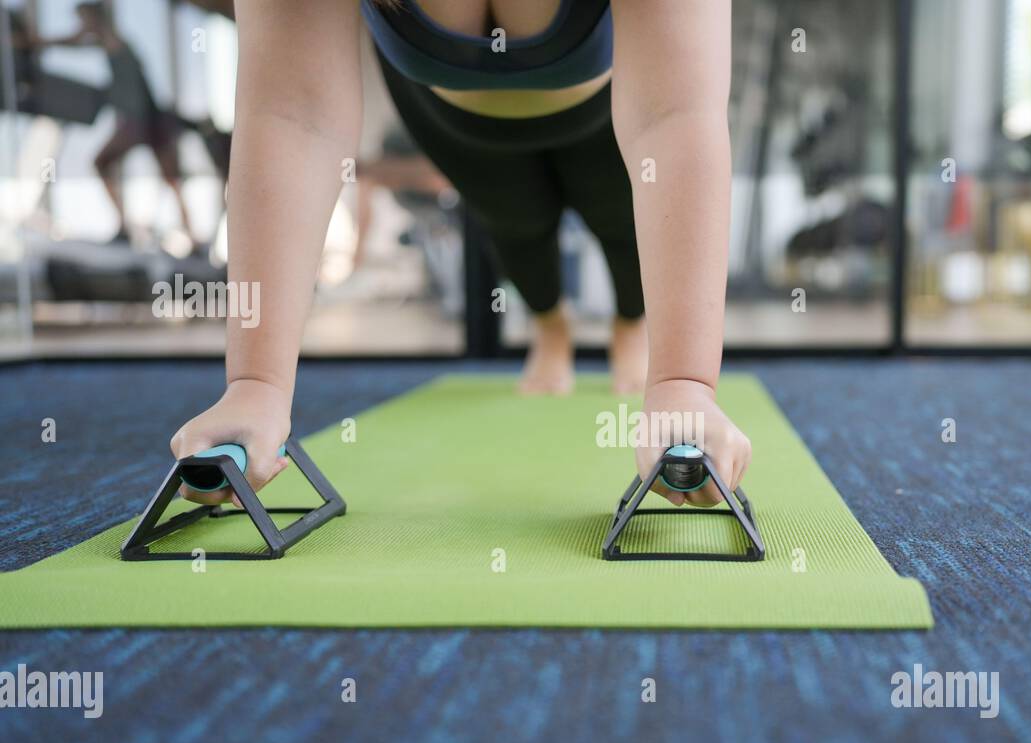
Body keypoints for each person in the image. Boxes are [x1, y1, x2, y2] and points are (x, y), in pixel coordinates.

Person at [171, 0, 751, 510]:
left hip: (604, 104)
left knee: (620, 232)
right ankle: (552, 332)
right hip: (453, 117)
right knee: (518, 232)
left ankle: (630, 331)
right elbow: (292, 113)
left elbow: (673, 115)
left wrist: (682, 383)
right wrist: (257, 385)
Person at [25, 1, 198, 247]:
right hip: (150, 121)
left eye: (83, 20)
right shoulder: (113, 43)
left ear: (95, 19)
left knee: (106, 163)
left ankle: (135, 227)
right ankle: (179, 231)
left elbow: (76, 40)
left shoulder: (111, 40)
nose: (81, 26)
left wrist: (35, 42)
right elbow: (78, 43)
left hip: (139, 121)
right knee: (170, 178)